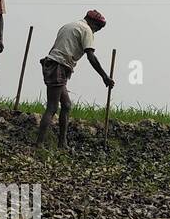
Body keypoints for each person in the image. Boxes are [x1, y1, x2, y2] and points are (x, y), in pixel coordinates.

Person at [35, 10, 112, 149]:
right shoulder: (87, 30)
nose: (96, 31)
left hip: (54, 64)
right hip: (58, 65)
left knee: (66, 105)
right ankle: (39, 144)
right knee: (52, 107)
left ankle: (62, 143)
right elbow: (91, 56)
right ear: (92, 22)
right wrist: (104, 76)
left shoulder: (69, 26)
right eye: (98, 28)